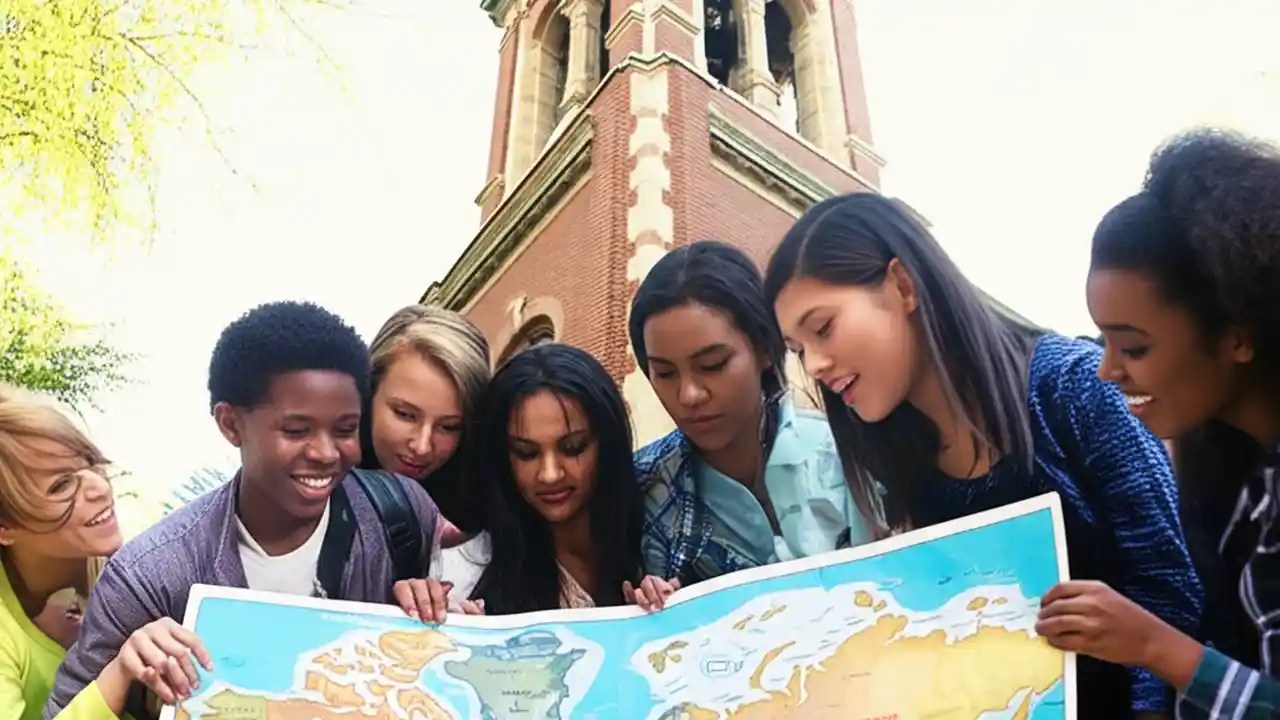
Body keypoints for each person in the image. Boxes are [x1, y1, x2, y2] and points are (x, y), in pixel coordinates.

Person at [764, 192, 1201, 718]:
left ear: (902, 286)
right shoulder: (901, 458)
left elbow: (1173, 592)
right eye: (797, 347)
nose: (813, 365)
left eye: (823, 328)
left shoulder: (1073, 388)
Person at [43, 301, 447, 719]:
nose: (326, 452)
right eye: (296, 430)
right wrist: (125, 668)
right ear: (231, 425)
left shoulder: (397, 515)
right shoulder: (150, 577)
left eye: (345, 429)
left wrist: (438, 617)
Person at [1037, 129, 1280, 719]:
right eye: (1103, 341)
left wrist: (1154, 645)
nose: (1106, 371)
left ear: (1235, 335)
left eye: (1135, 348)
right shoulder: (1226, 472)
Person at [629, 240, 875, 606]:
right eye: (665, 373)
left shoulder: (848, 455)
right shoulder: (645, 489)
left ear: (764, 348)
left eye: (713, 364)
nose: (689, 395)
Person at [398, 343, 643, 616]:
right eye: (526, 453)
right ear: (502, 455)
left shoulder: (660, 532)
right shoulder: (459, 578)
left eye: (573, 447)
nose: (550, 474)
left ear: (608, 442)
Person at [359, 305, 491, 599]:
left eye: (449, 427)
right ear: (368, 395)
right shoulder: (309, 490)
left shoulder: (488, 521)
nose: (422, 446)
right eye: (405, 414)